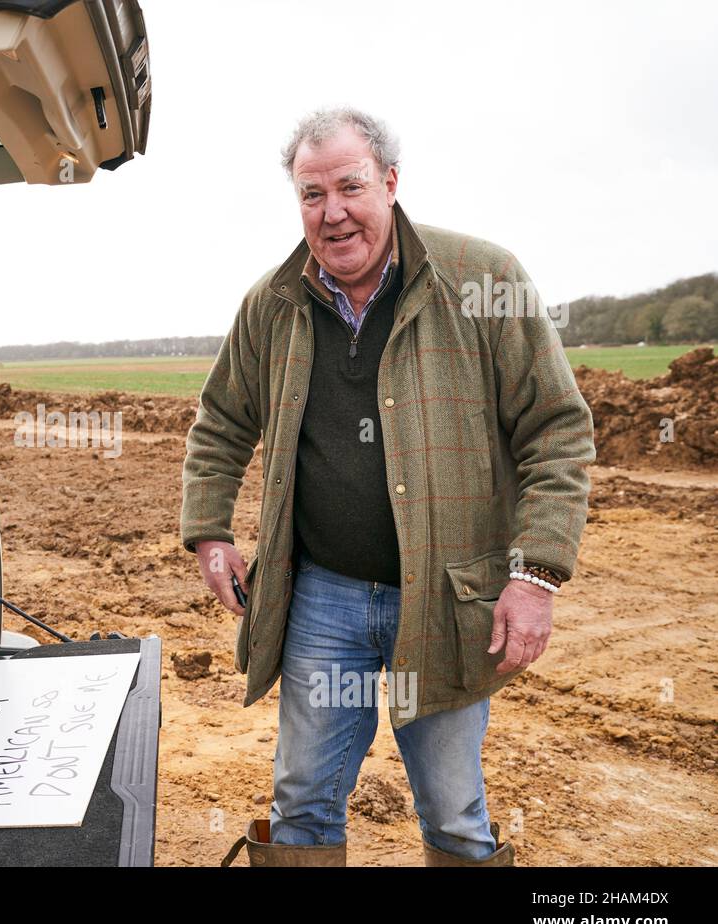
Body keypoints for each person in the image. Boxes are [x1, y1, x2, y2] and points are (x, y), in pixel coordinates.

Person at [183, 107, 595, 866]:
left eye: (350, 186)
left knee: (452, 807)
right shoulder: (273, 305)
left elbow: (558, 431)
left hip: (446, 596)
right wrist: (209, 534)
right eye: (312, 194)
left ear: (391, 183)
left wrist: (536, 575)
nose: (333, 212)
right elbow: (219, 423)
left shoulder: (482, 281)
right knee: (303, 798)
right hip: (322, 598)